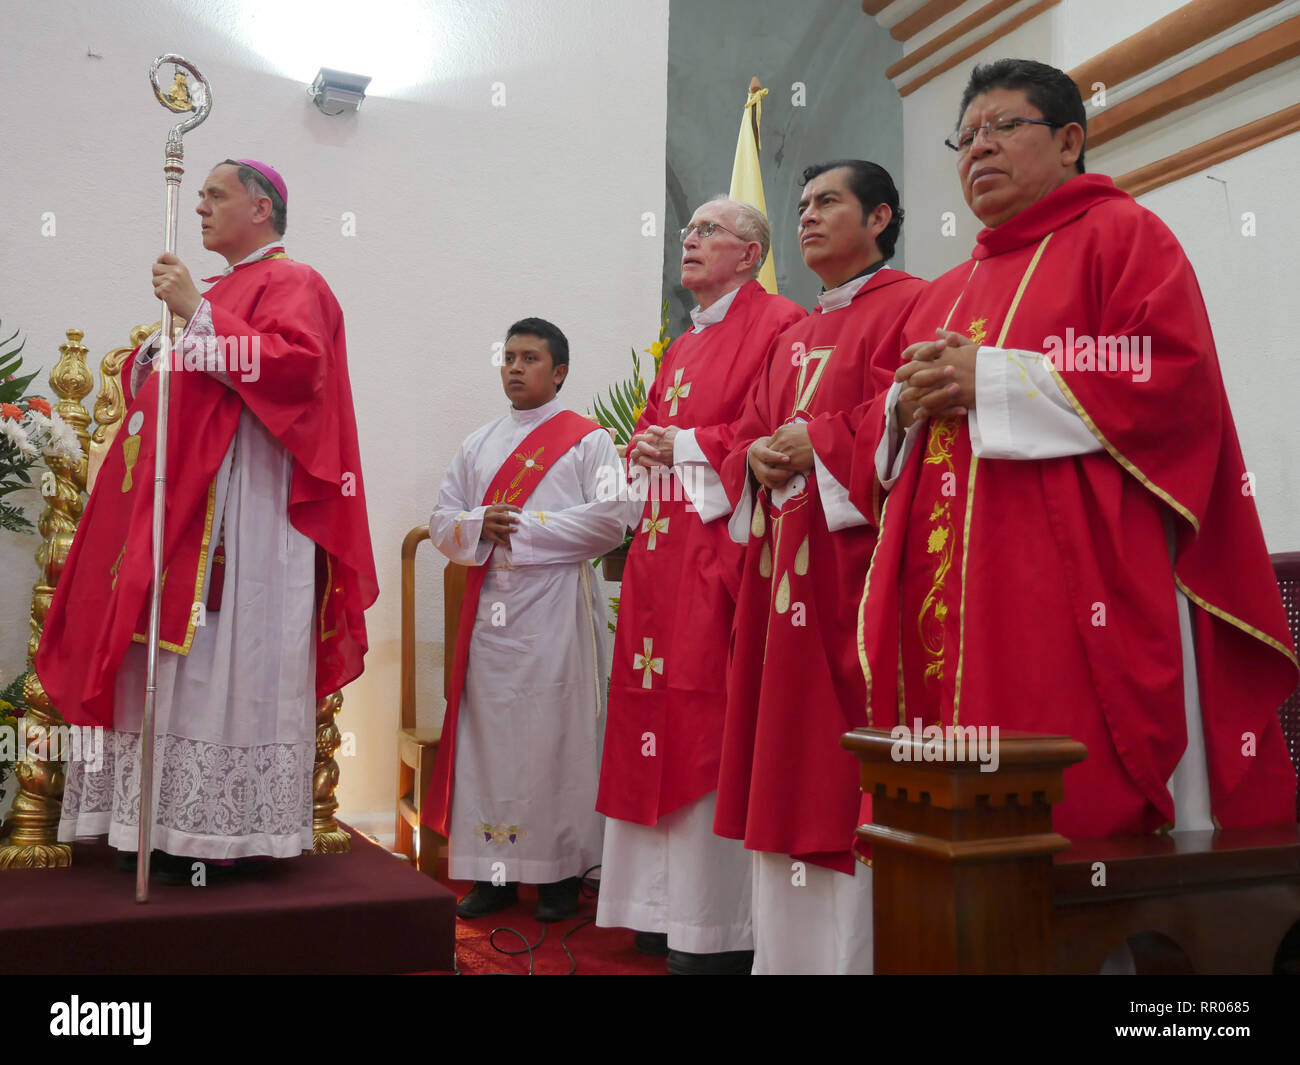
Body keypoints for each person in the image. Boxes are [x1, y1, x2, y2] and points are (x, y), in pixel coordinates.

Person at [855, 59, 1296, 855]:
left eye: (1002, 127)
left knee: (1073, 813)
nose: (977, 149)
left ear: (1068, 141)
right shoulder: (942, 289)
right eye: (966, 136)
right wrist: (902, 407)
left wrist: (987, 378)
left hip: (1072, 579)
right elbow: (887, 432)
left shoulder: (1122, 236)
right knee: (958, 813)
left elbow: (1169, 377)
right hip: (954, 584)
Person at [37, 159, 378, 879]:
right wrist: (153, 352)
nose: (199, 208)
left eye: (214, 195)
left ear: (260, 208)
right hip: (183, 507)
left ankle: (227, 835)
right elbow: (165, 388)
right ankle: (162, 823)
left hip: (248, 510)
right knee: (167, 661)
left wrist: (195, 312)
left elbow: (296, 368)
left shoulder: (296, 281)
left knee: (228, 658)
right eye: (197, 196)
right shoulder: (222, 290)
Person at [712, 160, 927, 974]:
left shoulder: (914, 304)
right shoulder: (792, 335)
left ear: (879, 216)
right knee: (784, 755)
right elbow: (745, 436)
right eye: (799, 205)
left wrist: (823, 442)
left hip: (859, 581)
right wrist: (758, 454)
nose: (805, 217)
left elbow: (910, 411)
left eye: (826, 201)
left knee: (840, 768)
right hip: (781, 585)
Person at [595, 197, 805, 974]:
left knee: (705, 715)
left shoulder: (779, 323)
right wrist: (646, 447)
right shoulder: (682, 344)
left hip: (721, 552)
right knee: (652, 706)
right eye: (687, 232)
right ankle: (654, 908)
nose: (689, 240)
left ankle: (713, 924)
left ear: (750, 253)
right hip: (659, 553)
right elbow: (659, 425)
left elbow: (771, 435)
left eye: (707, 231)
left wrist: (681, 443)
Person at [423, 318, 627, 922]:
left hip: (559, 608)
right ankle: (497, 874)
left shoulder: (589, 441)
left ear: (558, 372)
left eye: (529, 358)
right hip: (492, 617)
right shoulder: (479, 443)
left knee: (556, 737)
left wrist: (527, 531)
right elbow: (441, 520)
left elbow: (616, 517)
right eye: (508, 357)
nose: (514, 367)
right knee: (493, 738)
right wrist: (477, 524)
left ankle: (562, 873)